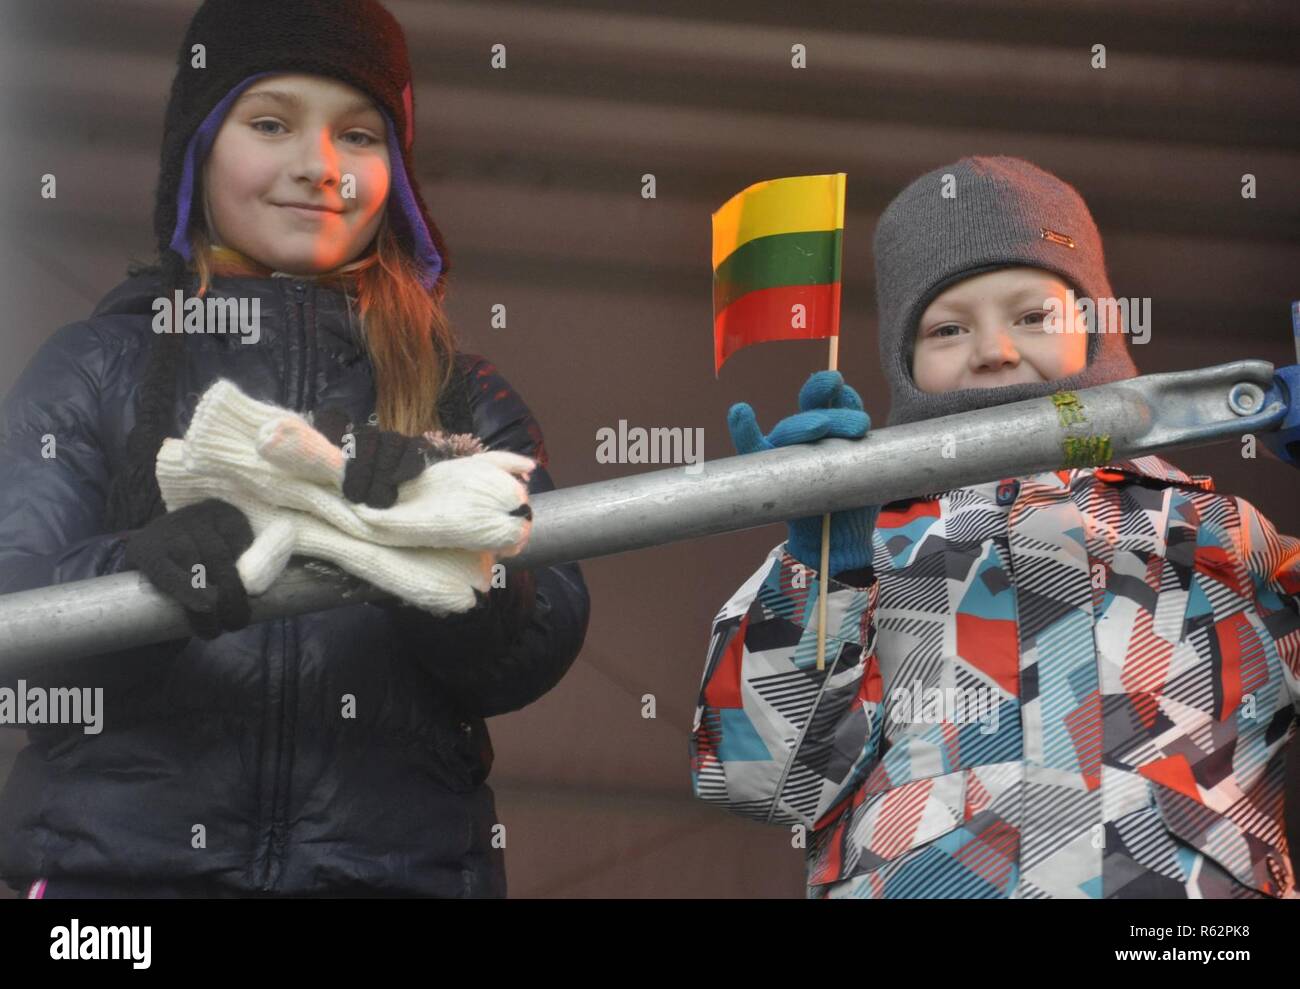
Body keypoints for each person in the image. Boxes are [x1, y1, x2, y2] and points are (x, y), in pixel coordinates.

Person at [0, 0, 589, 898]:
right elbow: (13, 615)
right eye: (270, 122)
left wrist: (429, 544)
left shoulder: (459, 393)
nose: (319, 168)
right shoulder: (97, 365)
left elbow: (539, 637)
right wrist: (139, 570)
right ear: (199, 147)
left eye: (358, 136)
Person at [691, 156, 1300, 899]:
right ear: (903, 362)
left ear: (1095, 325)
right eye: (948, 327)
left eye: (1033, 314)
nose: (994, 350)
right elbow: (761, 777)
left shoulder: (1222, 532)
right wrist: (825, 565)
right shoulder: (862, 548)